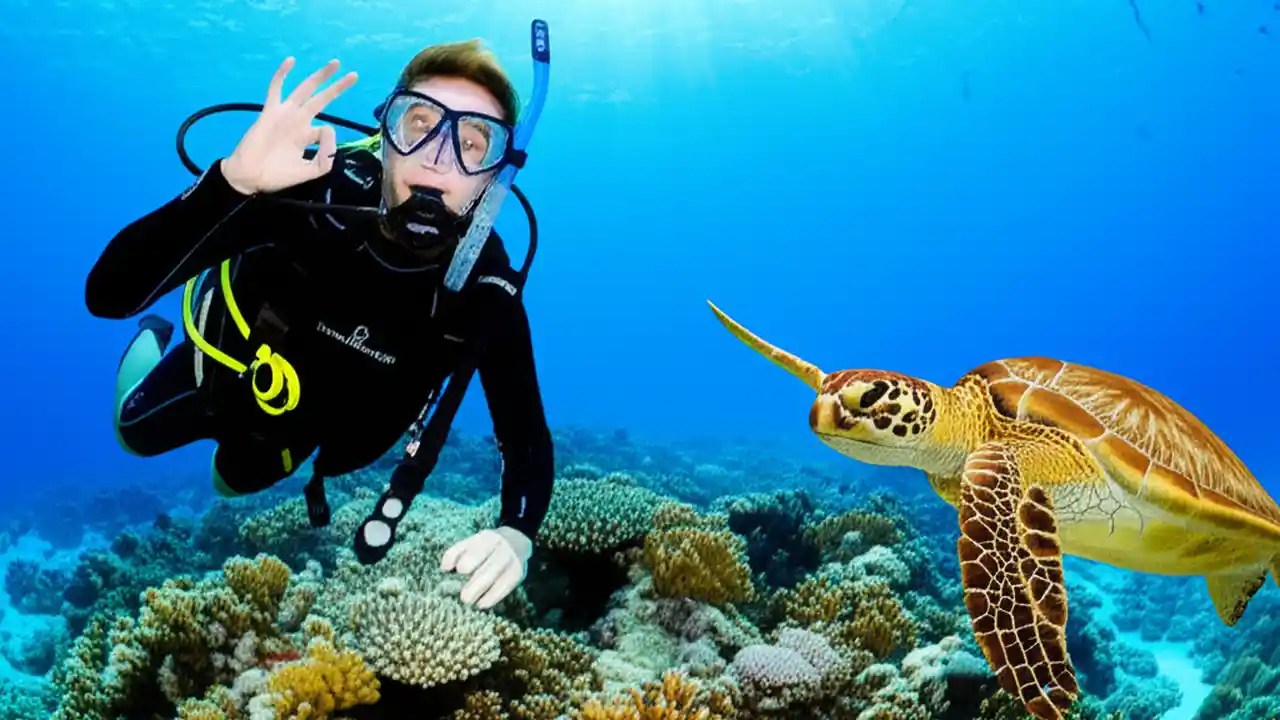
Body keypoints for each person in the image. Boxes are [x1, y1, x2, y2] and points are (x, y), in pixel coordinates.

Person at [84, 29, 555, 611]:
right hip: (221, 375)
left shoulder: (483, 285)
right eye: (420, 123)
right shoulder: (308, 194)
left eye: (475, 141)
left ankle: (245, 457)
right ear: (386, 135)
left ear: (495, 176)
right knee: (132, 434)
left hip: (301, 436)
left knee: (230, 482)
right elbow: (109, 294)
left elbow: (524, 431)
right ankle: (153, 339)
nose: (439, 154)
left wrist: (518, 531)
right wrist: (229, 186)